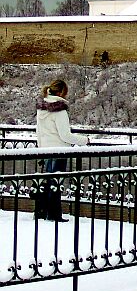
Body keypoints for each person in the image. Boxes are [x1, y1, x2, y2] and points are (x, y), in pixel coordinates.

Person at [35, 79, 89, 222]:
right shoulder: (59, 110)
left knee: (47, 183)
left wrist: (40, 149)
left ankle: (42, 211)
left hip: (45, 150)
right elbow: (65, 135)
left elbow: (39, 132)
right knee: (56, 184)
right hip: (59, 150)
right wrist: (85, 140)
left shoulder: (42, 108)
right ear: (61, 93)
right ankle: (54, 214)